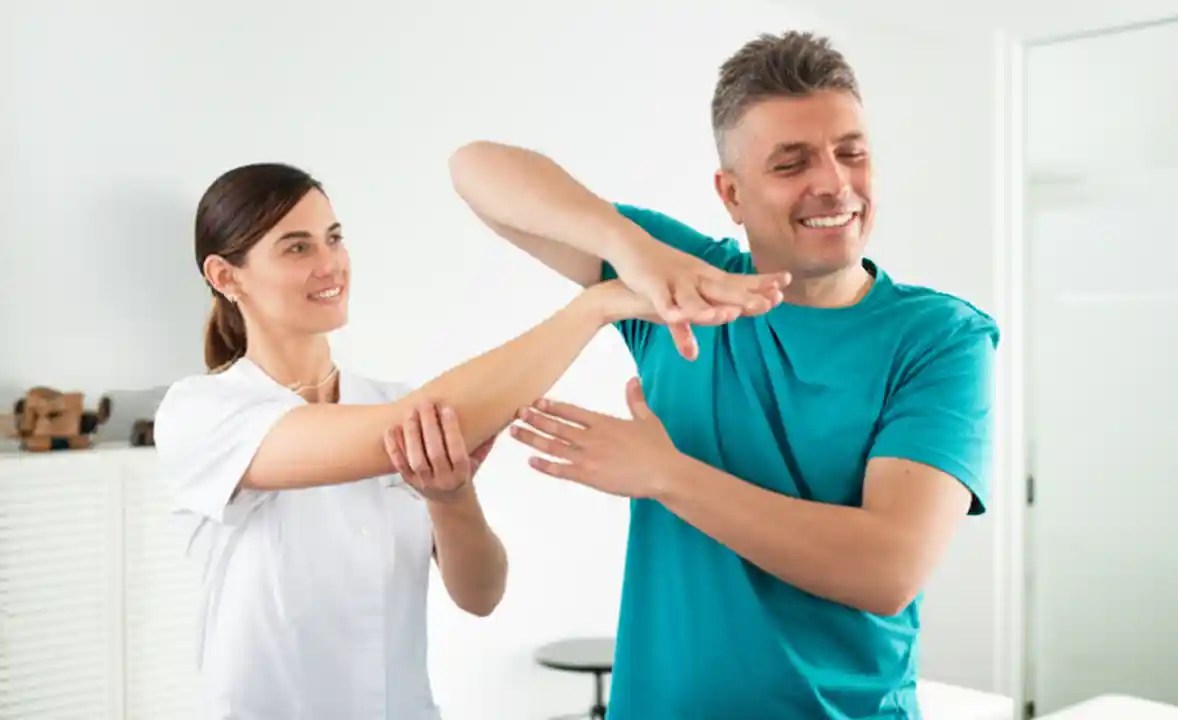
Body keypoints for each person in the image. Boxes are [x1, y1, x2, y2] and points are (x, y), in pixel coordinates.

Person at [449, 30, 999, 720]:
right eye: (792, 163)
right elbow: (475, 170)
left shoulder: (940, 337)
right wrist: (627, 248)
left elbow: (886, 569)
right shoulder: (683, 281)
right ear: (731, 194)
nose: (834, 183)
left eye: (851, 153)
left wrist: (666, 476)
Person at [153, 162, 789, 720]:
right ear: (226, 276)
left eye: (334, 238)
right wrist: (595, 306)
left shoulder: (390, 400)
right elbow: (411, 424)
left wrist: (452, 499)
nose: (329, 264)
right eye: (296, 247)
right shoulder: (204, 413)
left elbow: (481, 595)